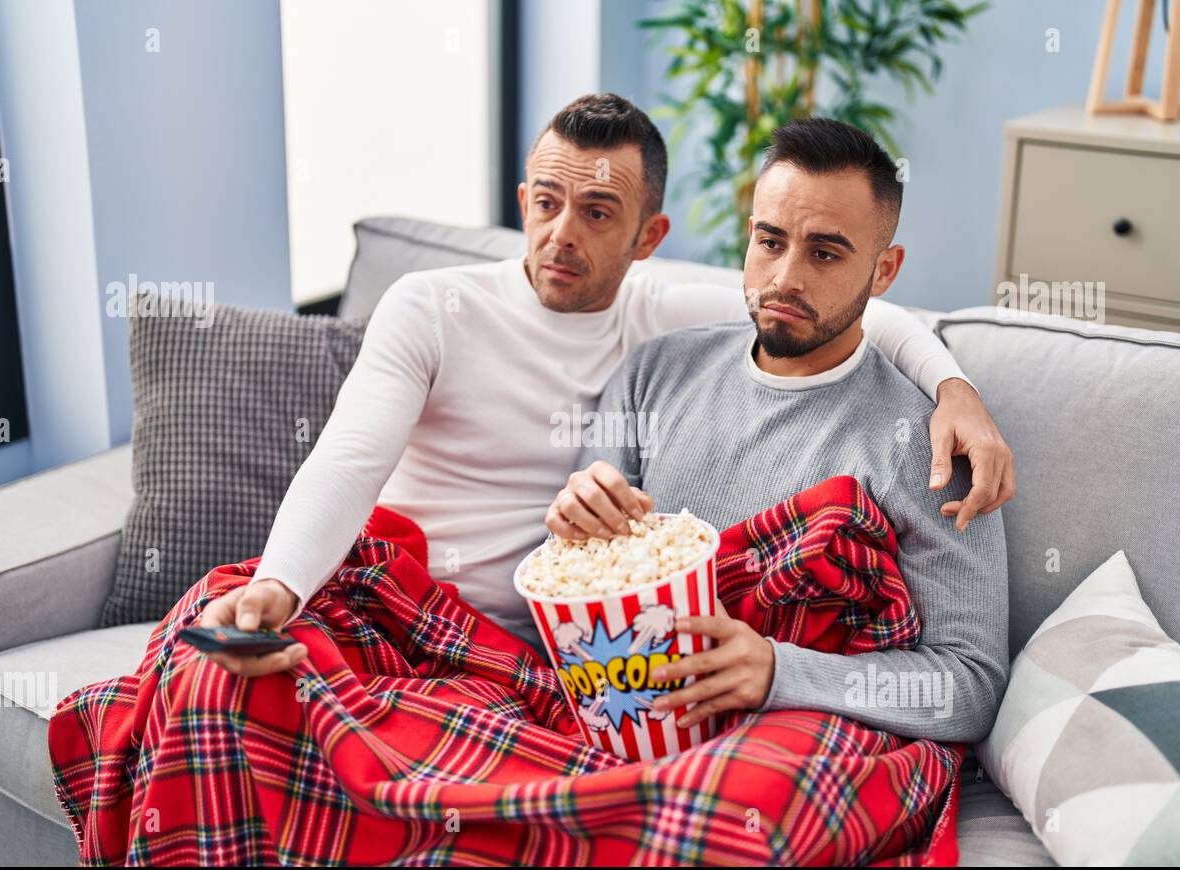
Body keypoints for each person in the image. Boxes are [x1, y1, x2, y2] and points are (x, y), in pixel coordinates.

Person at [198, 94, 1014, 682]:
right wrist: (281, 581)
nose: (560, 235)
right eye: (546, 203)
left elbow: (872, 318)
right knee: (206, 669)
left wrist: (954, 388)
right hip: (419, 605)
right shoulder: (450, 311)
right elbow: (348, 460)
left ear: (648, 238)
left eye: (597, 212)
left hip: (573, 664)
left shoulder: (667, 322)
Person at [547, 117, 1009, 743]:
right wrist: (572, 522)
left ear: (884, 272)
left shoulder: (933, 449)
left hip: (788, 744)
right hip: (620, 711)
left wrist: (779, 673)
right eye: (771, 242)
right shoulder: (653, 373)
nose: (785, 278)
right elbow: (568, 579)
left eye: (824, 253)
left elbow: (970, 683)